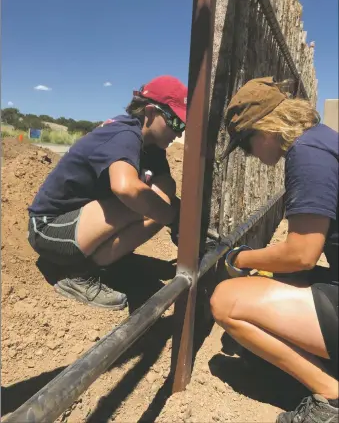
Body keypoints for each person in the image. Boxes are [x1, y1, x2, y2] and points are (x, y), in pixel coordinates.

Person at [210, 77, 338, 423]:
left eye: (246, 144)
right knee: (282, 278)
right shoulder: (325, 141)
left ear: (264, 130)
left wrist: (239, 258)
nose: (249, 154)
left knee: (226, 300)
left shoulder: (308, 155)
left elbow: (302, 253)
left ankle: (330, 397)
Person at [28, 75, 187, 310]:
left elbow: (166, 188)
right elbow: (125, 188)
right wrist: (174, 219)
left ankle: (96, 264)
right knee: (142, 202)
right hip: (49, 230)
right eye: (176, 122)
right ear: (151, 113)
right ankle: (76, 275)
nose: (179, 132)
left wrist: (176, 214)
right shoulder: (124, 134)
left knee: (157, 204)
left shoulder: (151, 144)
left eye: (184, 126)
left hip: (79, 225)